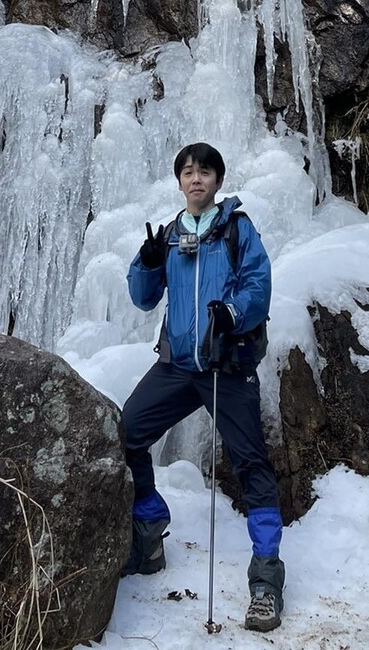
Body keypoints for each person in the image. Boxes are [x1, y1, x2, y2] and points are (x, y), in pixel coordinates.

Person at [120, 141, 285, 633]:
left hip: (227, 367)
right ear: (179, 181)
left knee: (251, 461)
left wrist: (232, 313)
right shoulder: (168, 236)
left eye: (205, 172)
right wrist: (148, 263)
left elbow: (259, 284)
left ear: (217, 180)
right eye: (188, 172)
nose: (196, 179)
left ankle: (266, 580)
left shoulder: (236, 229)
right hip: (177, 368)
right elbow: (143, 299)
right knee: (127, 432)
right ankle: (149, 528)